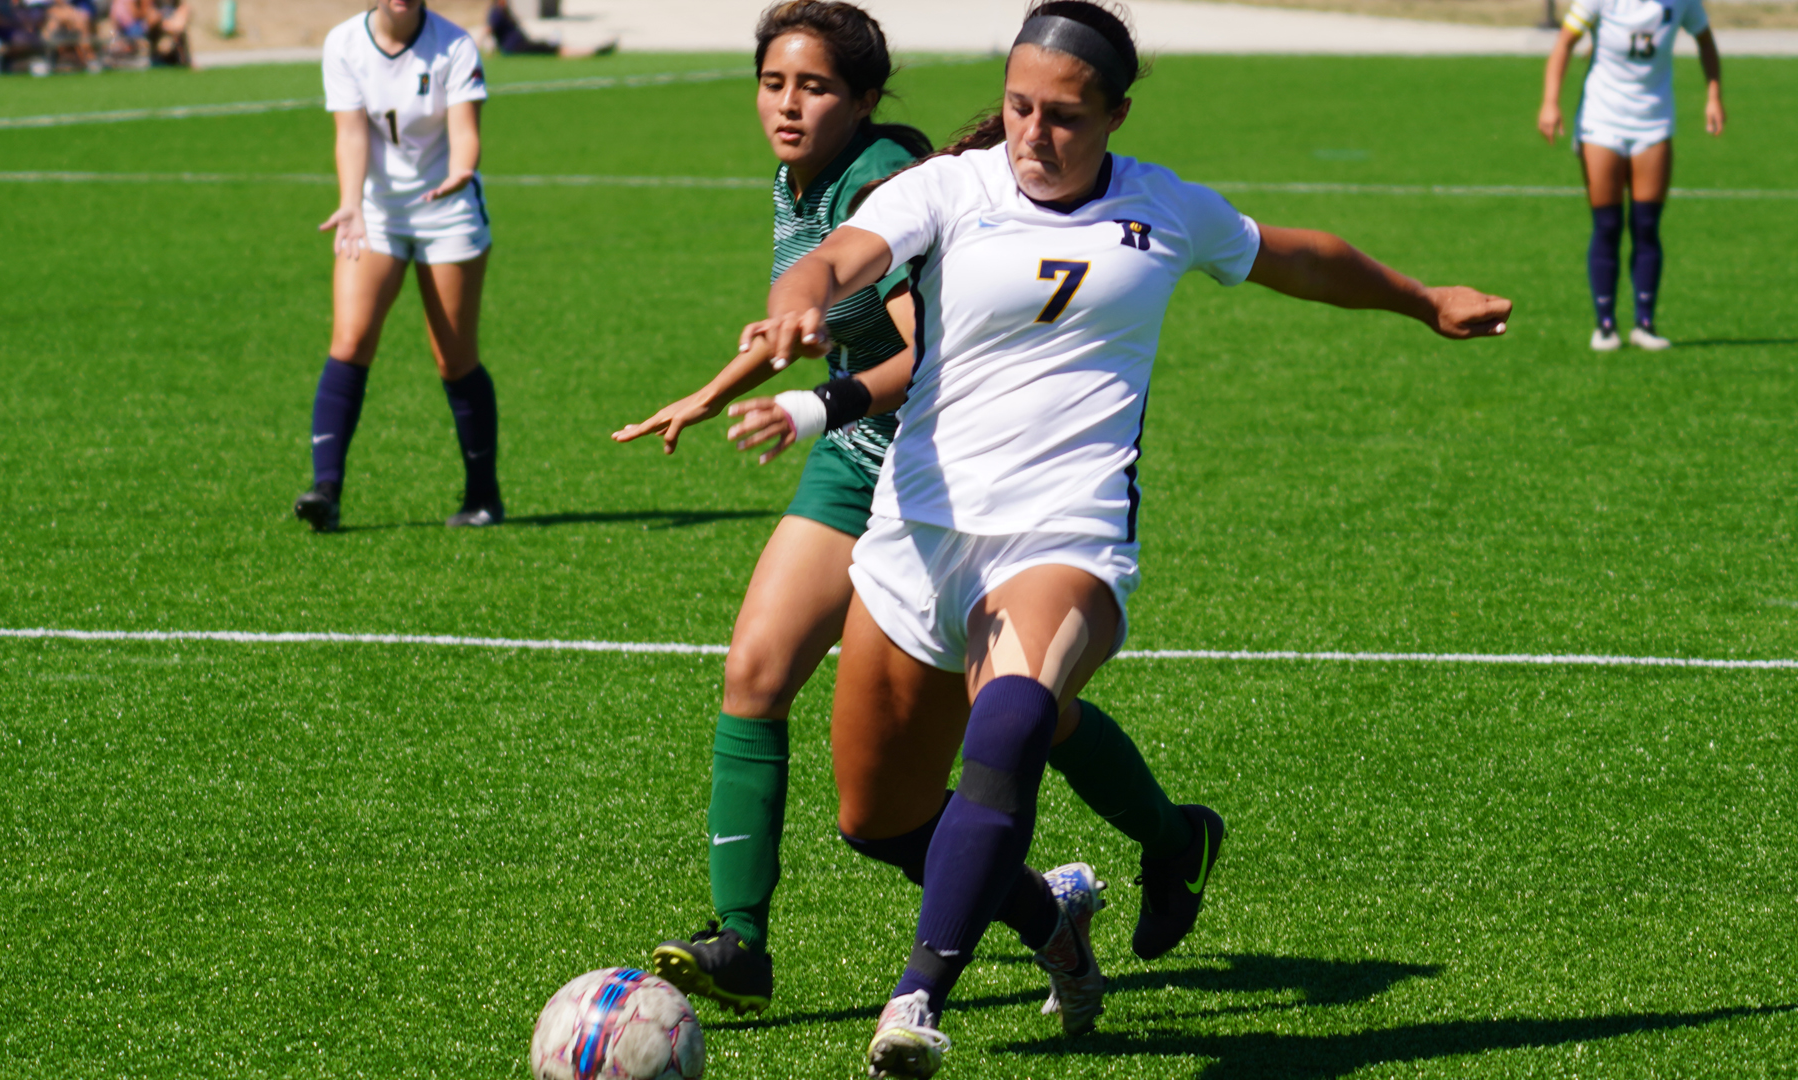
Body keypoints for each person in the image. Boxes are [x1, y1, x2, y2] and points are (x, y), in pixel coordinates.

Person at [738, 2, 1513, 1073]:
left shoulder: (1162, 207)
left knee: (1010, 722)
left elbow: (1300, 256)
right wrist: (796, 307)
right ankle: (1058, 926)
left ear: (1115, 116)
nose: (1031, 136)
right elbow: (838, 259)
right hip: (917, 530)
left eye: (1063, 116)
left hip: (1068, 532)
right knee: (876, 820)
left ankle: (915, 1001)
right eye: (1016, 107)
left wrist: (1423, 300)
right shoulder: (948, 190)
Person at [616, 0, 1219, 1023]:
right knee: (757, 674)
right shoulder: (799, 181)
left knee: (1031, 712)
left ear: (861, 100)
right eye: (774, 84)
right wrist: (718, 389)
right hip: (855, 464)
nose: (789, 106)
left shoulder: (886, 186)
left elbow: (915, 356)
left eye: (813, 88)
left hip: (938, 471)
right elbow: (801, 310)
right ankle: (745, 941)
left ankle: (1164, 839)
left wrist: (811, 404)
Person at [296, 0, 502, 533]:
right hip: (375, 214)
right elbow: (350, 133)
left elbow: (466, 130)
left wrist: (462, 170)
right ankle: (326, 490)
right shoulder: (343, 43)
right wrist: (350, 203)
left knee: (453, 360)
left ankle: (483, 496)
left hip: (448, 211)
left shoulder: (454, 44)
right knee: (349, 340)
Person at [1539, 0, 1723, 352]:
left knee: (1646, 224)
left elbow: (1705, 41)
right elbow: (1564, 42)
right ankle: (1605, 325)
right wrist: (1551, 101)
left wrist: (1713, 95)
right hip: (1601, 121)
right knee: (1607, 224)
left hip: (1654, 122)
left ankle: (1645, 324)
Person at [142, 0, 187, 67]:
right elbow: (149, 22)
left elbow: (179, 26)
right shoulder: (154, 5)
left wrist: (163, 22)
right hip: (157, 44)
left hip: (174, 44)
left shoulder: (180, 5)